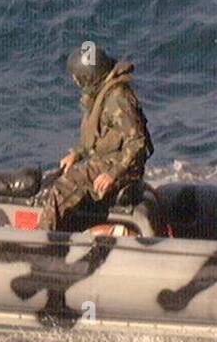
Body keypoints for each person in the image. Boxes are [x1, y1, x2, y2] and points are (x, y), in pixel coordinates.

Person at [40, 44, 153, 231]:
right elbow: (98, 139)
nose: (76, 81)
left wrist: (112, 174)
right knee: (57, 179)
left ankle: (41, 239)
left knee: (63, 186)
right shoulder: (101, 94)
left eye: (78, 77)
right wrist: (76, 154)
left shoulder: (118, 99)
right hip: (107, 161)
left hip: (119, 167)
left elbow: (137, 142)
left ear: (88, 77)